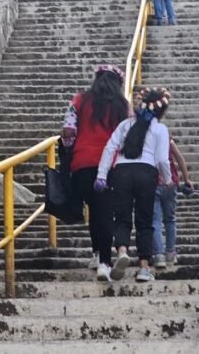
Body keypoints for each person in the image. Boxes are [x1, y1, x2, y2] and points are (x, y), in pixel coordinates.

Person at [62, 65, 131, 281]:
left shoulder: (79, 100)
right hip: (110, 166)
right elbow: (129, 136)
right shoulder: (123, 106)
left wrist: (69, 147)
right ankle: (104, 263)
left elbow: (68, 130)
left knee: (94, 209)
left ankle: (96, 253)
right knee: (105, 213)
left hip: (82, 164)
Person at [96, 88, 173, 283]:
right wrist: (168, 178)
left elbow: (109, 147)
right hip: (146, 173)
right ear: (162, 111)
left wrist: (102, 175)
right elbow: (163, 160)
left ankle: (122, 251)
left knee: (121, 217)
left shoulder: (125, 125)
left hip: (121, 172)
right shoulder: (160, 129)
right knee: (144, 221)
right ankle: (144, 268)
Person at [152, 138, 192, 268]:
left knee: (155, 221)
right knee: (170, 219)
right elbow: (180, 158)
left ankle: (158, 255)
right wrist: (187, 180)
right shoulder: (167, 140)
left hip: (153, 183)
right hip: (170, 183)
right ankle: (170, 253)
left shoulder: (145, 139)